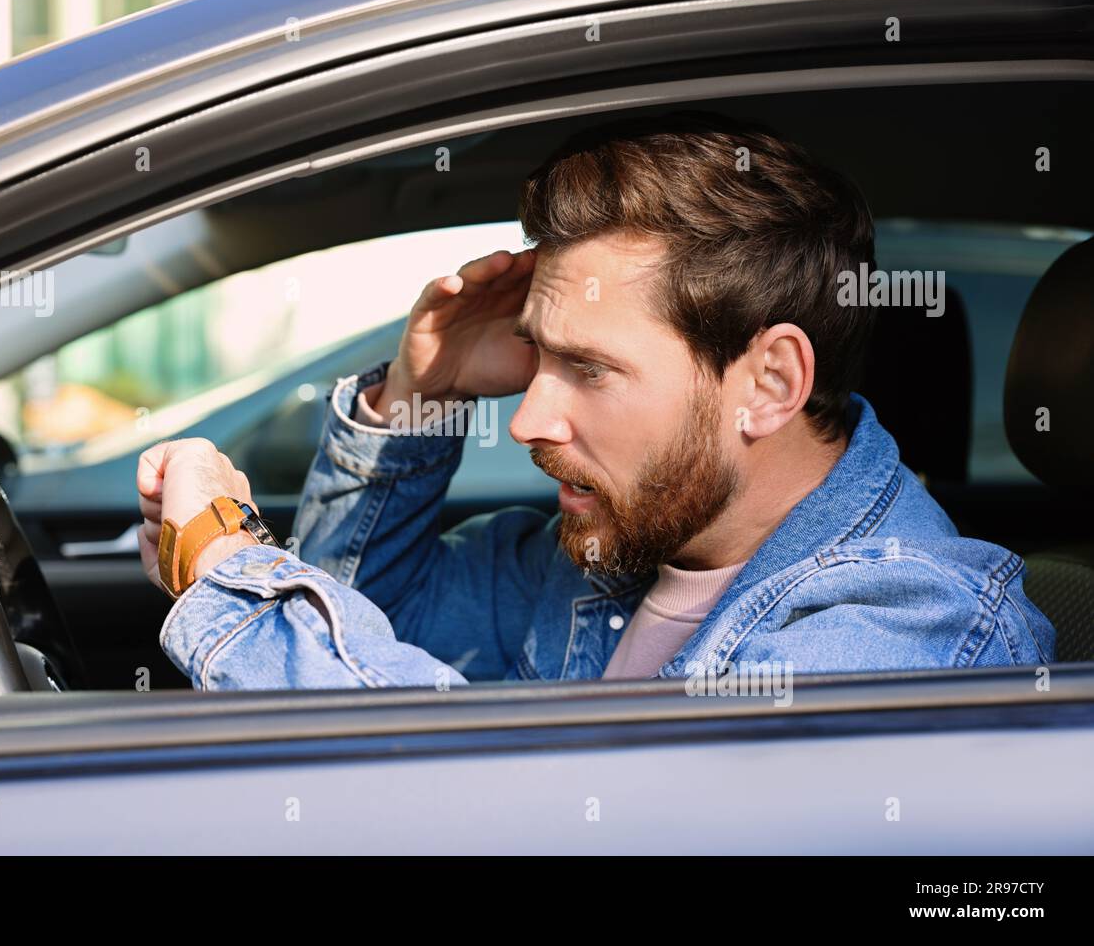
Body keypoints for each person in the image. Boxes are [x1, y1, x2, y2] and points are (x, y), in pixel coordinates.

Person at [137, 112, 1055, 691]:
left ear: (770, 383)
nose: (529, 418)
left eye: (592, 368)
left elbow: (551, 826)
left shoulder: (908, 632)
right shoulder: (609, 550)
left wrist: (226, 567)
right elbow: (363, 617)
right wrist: (423, 396)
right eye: (538, 355)